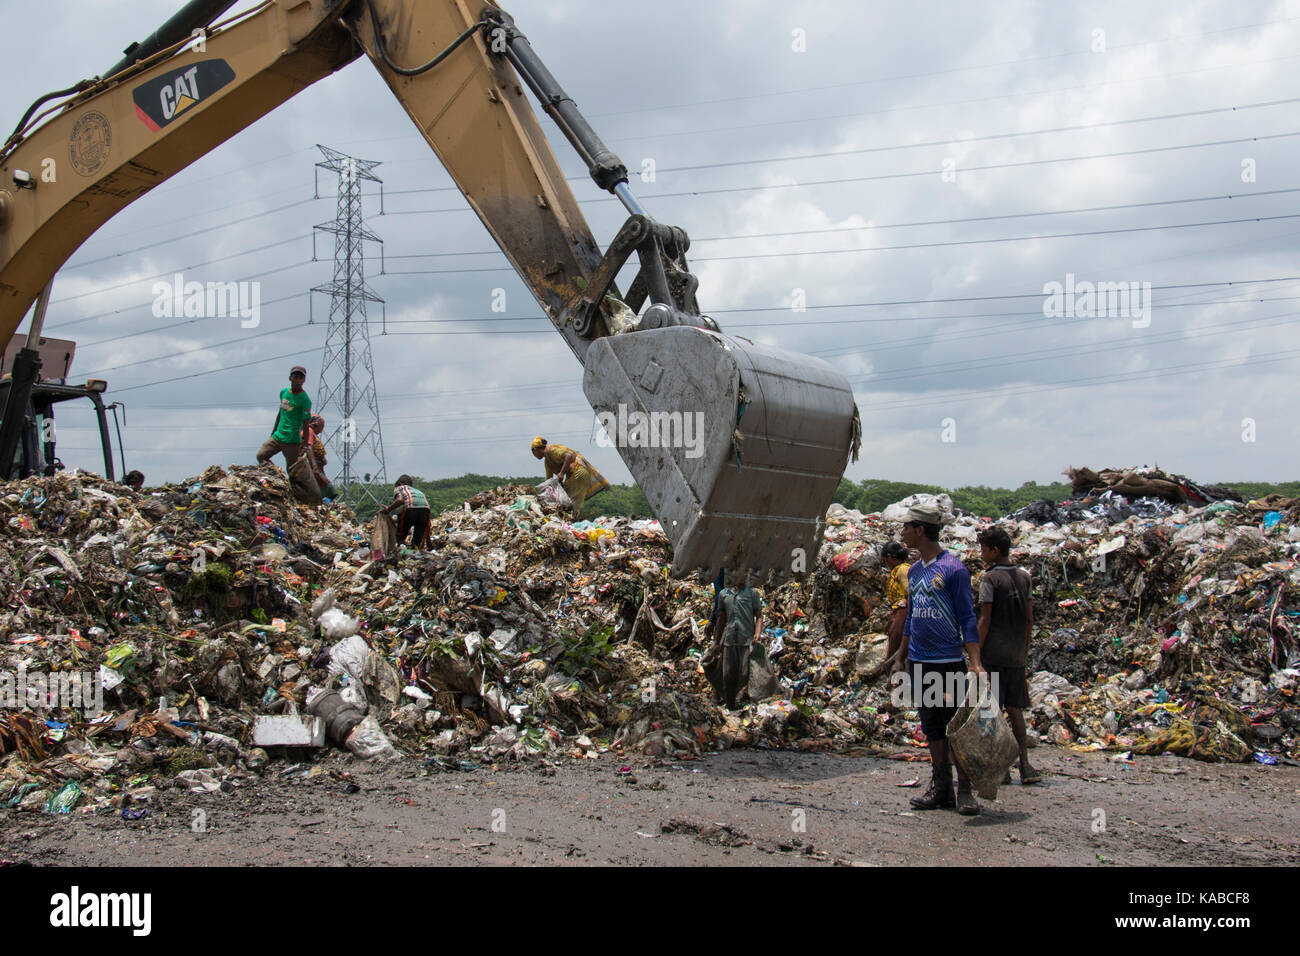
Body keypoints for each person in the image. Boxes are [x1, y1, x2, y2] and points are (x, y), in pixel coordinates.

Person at [892, 501, 984, 815]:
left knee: (954, 726)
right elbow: (913, 615)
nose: (902, 532)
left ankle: (966, 791)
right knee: (931, 726)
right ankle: (941, 788)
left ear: (920, 530)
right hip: (920, 660)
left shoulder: (954, 569)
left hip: (947, 662)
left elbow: (967, 618)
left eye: (906, 527)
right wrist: (902, 656)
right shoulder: (915, 571)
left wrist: (975, 662)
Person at [977, 526, 1041, 785]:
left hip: (993, 654)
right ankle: (1025, 765)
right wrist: (1023, 649)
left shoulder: (989, 579)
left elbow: (985, 620)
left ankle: (1001, 768)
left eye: (983, 550)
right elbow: (1029, 619)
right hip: (1015, 655)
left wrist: (974, 654)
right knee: (1015, 712)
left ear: (994, 551)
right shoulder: (1024, 577)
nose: (981, 554)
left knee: (992, 713)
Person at [708, 570, 763, 710]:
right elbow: (722, 618)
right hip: (730, 638)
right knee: (727, 673)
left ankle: (737, 696)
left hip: (746, 638)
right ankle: (729, 704)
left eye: (744, 573)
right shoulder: (724, 594)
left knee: (744, 673)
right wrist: (716, 640)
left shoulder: (752, 594)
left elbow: (759, 615)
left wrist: (757, 633)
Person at [530, 436, 610, 517]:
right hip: (574, 475)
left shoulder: (552, 450)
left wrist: (561, 473)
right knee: (570, 501)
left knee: (568, 502)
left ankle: (571, 520)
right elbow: (549, 480)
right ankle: (573, 519)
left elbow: (569, 456)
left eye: (533, 453)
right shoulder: (547, 462)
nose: (534, 455)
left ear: (535, 450)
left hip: (579, 471)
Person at [256, 366, 312, 473]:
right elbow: (281, 413)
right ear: (290, 378)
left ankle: (293, 489)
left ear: (303, 380)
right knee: (261, 455)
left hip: (292, 440)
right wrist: (273, 432)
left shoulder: (305, 400)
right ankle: (276, 474)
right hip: (278, 436)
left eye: (300, 378)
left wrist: (305, 445)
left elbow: (306, 424)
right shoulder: (284, 393)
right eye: (295, 377)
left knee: (292, 470)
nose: (297, 380)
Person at [882, 541, 911, 668]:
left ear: (889, 557)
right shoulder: (897, 570)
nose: (885, 564)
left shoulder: (903, 570)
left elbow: (910, 592)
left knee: (896, 645)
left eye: (884, 560)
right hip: (899, 612)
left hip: (904, 612)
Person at [381, 475, 430, 549]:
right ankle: (414, 553)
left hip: (411, 509)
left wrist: (388, 510)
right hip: (426, 511)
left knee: (400, 536)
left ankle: (401, 551)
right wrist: (429, 543)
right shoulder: (417, 491)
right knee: (417, 541)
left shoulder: (400, 488)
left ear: (400, 483)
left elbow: (400, 500)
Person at [302, 415, 335, 499]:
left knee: (324, 489)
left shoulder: (311, 433)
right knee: (329, 489)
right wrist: (314, 466)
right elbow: (309, 448)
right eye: (322, 426)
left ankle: (322, 505)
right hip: (313, 466)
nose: (321, 430)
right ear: (316, 424)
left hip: (317, 466)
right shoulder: (308, 431)